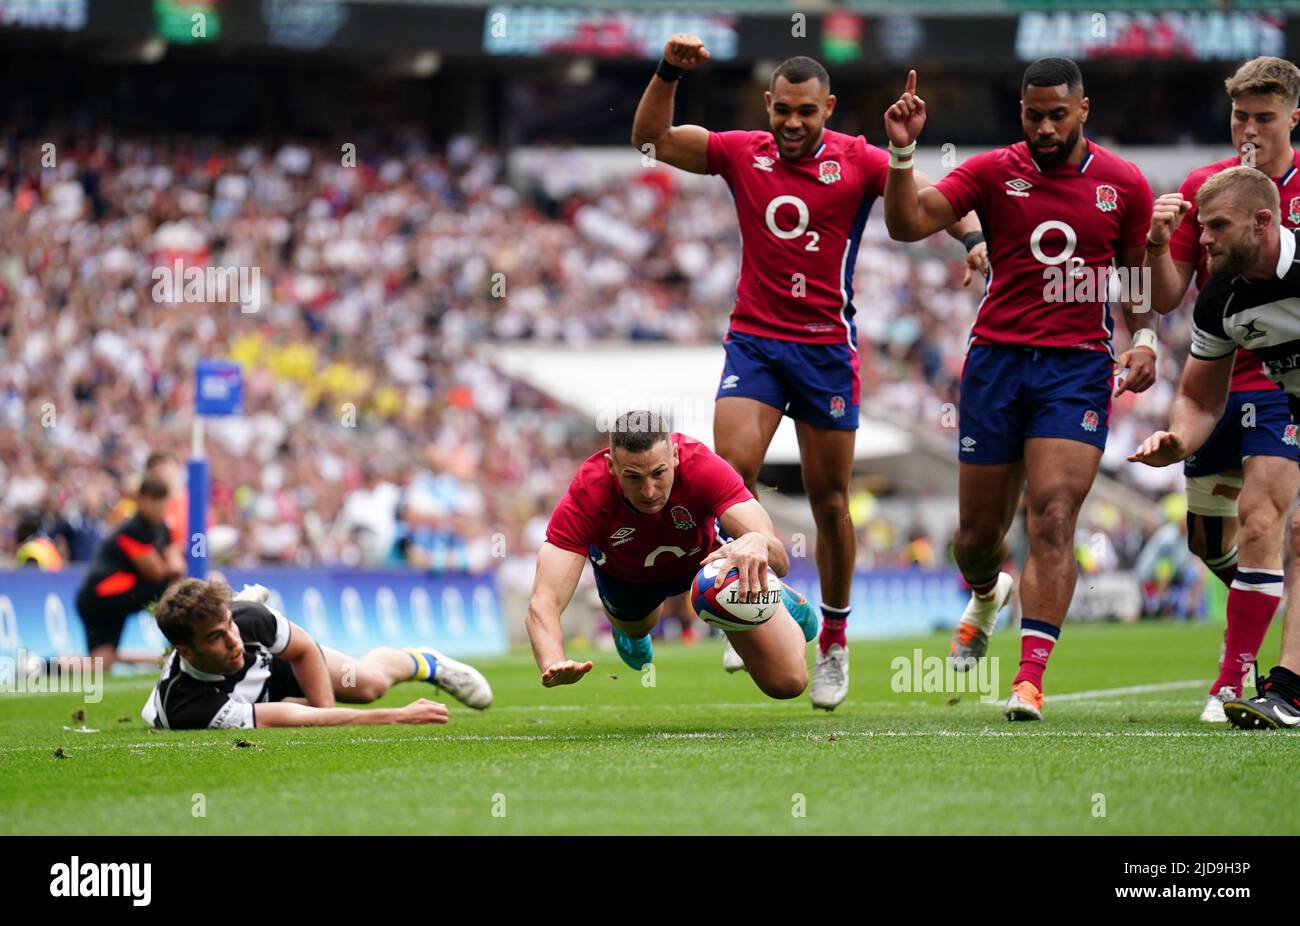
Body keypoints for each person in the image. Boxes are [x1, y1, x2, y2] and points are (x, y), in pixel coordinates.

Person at [630, 35, 988, 710]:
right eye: (783, 111)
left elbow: (934, 202)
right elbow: (649, 139)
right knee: (724, 482)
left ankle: (835, 644)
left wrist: (971, 240)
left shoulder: (857, 159)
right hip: (756, 343)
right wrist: (668, 71)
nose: (793, 124)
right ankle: (754, 604)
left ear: (829, 108)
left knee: (830, 502)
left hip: (826, 350)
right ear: (768, 105)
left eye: (807, 113)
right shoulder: (741, 150)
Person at [881, 58, 1158, 720]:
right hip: (997, 364)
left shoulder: (1124, 184)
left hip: (1077, 368)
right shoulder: (992, 171)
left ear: (1082, 110)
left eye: (1056, 115)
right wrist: (901, 152)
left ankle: (1029, 679)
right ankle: (984, 592)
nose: (1042, 127)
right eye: (1032, 115)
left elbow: (1138, 273)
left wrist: (1143, 337)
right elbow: (908, 223)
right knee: (976, 536)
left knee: (1055, 514)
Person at [1142, 56, 1300, 721]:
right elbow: (1163, 298)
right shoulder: (1207, 192)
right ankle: (1270, 607)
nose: (1251, 130)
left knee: (1270, 522)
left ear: (1293, 118)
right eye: (1241, 116)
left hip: (1275, 391)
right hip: (1233, 362)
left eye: (1265, 118)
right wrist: (1153, 246)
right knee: (1209, 541)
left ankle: (1242, 680)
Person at [526, 412, 820, 701]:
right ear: (611, 466)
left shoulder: (703, 466)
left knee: (787, 683)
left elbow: (779, 559)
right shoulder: (586, 494)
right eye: (633, 477)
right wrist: (553, 660)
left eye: (658, 473)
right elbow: (545, 599)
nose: (649, 490)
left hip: (710, 568)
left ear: (675, 456)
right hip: (626, 580)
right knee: (636, 630)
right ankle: (631, 631)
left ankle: (771, 594)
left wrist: (757, 541)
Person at [141, 578, 492, 729]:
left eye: (229, 625)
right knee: (303, 711)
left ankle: (425, 661)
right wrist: (396, 715)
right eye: (216, 637)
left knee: (368, 685)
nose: (232, 640)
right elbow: (291, 720)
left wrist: (328, 713)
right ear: (185, 650)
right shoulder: (186, 707)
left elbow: (305, 649)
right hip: (243, 702)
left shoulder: (248, 621)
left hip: (268, 665)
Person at [75, 473, 186, 672]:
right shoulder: (133, 529)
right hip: (101, 597)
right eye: (153, 500)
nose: (158, 507)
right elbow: (156, 571)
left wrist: (174, 561)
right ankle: (183, 649)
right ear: (140, 500)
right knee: (175, 591)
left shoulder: (162, 529)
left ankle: (42, 668)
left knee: (100, 664)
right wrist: (174, 563)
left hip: (117, 602)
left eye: (162, 501)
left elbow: (174, 558)